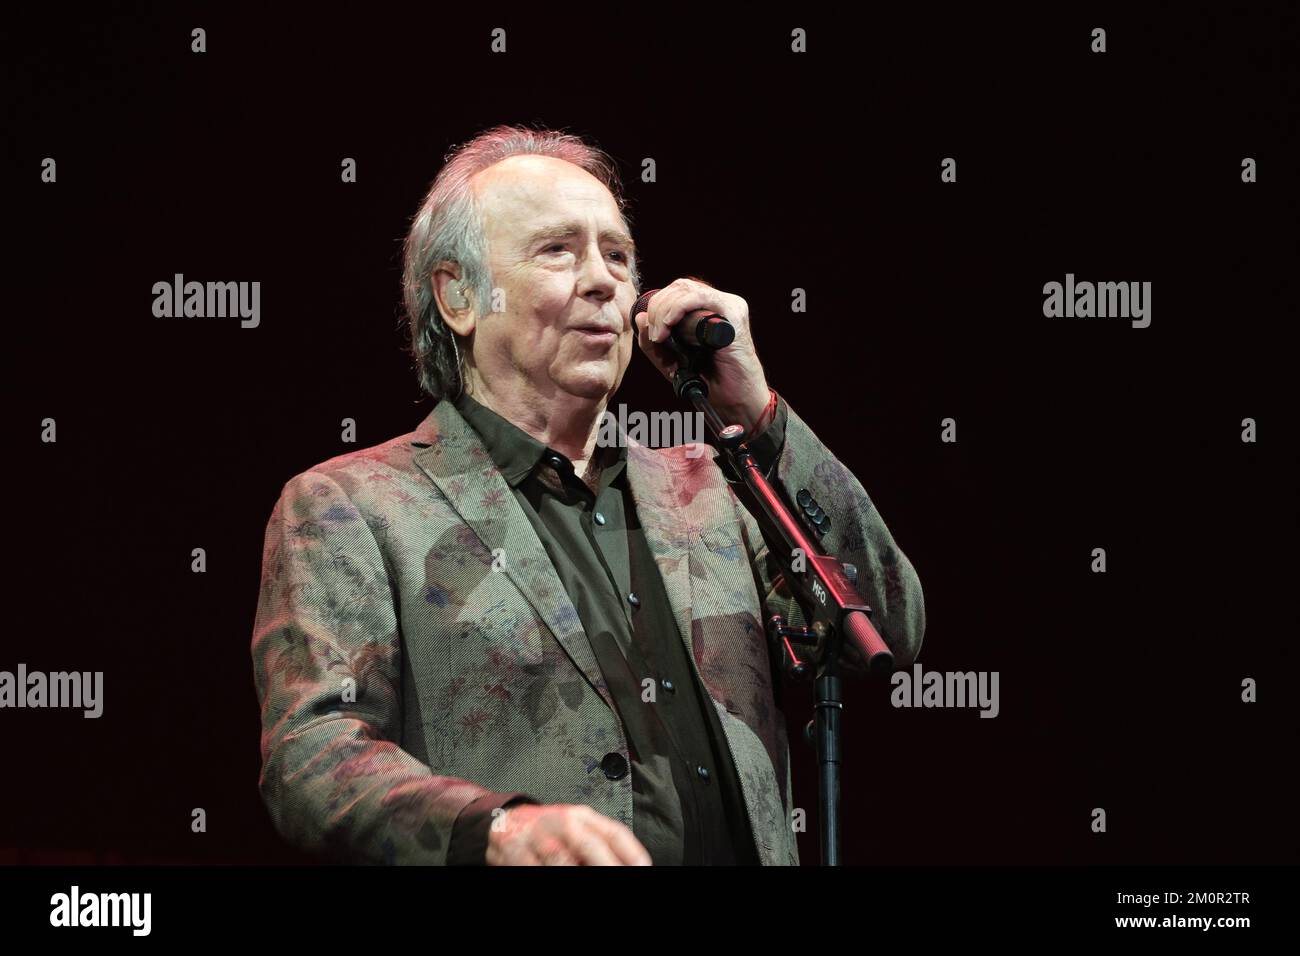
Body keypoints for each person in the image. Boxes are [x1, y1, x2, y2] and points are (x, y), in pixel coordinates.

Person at [250, 124, 925, 865]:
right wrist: (500, 830)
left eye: (619, 255)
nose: (604, 279)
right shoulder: (354, 506)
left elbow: (887, 623)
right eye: (558, 251)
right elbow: (314, 758)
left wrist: (758, 413)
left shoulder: (711, 486)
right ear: (459, 295)